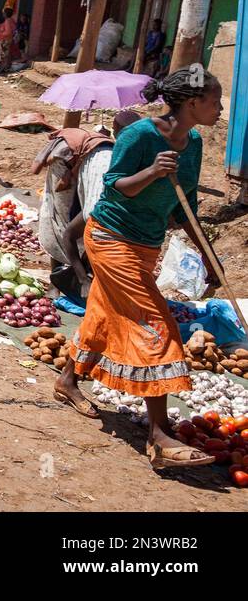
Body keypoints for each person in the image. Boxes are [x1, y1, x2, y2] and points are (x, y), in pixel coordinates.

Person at [54, 68, 224, 470]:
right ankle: (160, 435)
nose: (220, 109)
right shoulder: (140, 136)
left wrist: (207, 256)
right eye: (215, 102)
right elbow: (114, 185)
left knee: (100, 318)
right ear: (192, 103)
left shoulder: (194, 142)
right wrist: (151, 171)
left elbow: (188, 207)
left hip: (147, 245)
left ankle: (67, 380)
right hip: (111, 239)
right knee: (155, 325)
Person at [51, 111, 142, 298]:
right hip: (74, 168)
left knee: (87, 236)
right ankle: (67, 280)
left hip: (105, 196)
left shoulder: (132, 156)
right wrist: (83, 279)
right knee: (64, 221)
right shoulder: (96, 209)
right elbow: (69, 234)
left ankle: (83, 272)